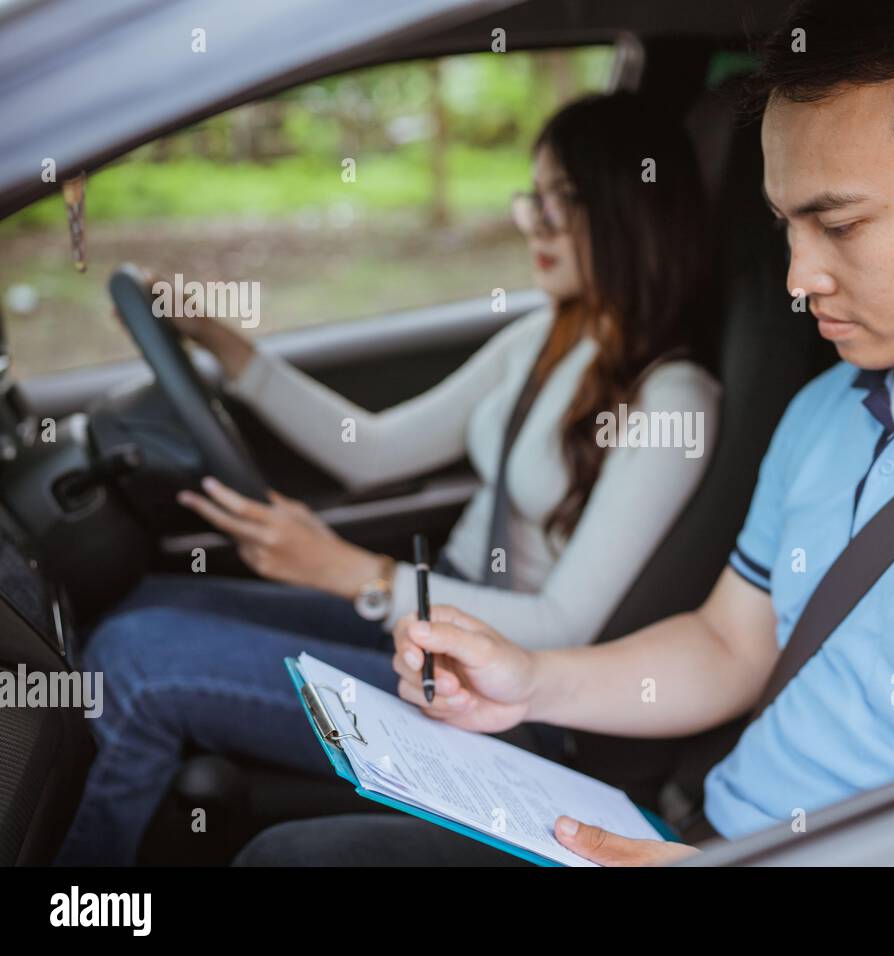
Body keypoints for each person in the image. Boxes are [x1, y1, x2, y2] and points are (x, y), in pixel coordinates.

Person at [234, 0, 894, 867]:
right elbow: (735, 640)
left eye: (838, 224)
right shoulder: (834, 400)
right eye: (785, 224)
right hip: (690, 826)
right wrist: (531, 680)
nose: (797, 279)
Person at [55, 90, 722, 865]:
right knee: (140, 603)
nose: (534, 223)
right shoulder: (547, 335)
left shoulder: (676, 401)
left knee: (137, 663)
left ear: (630, 209)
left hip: (505, 694)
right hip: (437, 621)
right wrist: (228, 350)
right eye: (530, 199)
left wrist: (356, 574)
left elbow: (564, 626)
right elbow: (369, 451)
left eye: (562, 202)